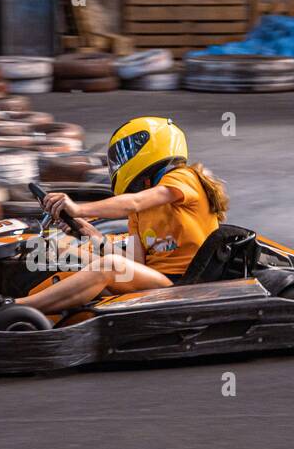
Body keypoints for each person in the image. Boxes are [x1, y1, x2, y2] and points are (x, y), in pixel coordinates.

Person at [16, 116, 229, 314]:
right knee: (61, 251)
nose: (120, 161)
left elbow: (133, 203)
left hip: (183, 284)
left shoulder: (184, 177)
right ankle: (25, 297)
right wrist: (87, 231)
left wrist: (79, 209)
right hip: (153, 278)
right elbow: (134, 262)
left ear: (153, 147)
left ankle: (17, 308)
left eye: (128, 151)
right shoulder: (140, 212)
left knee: (108, 266)